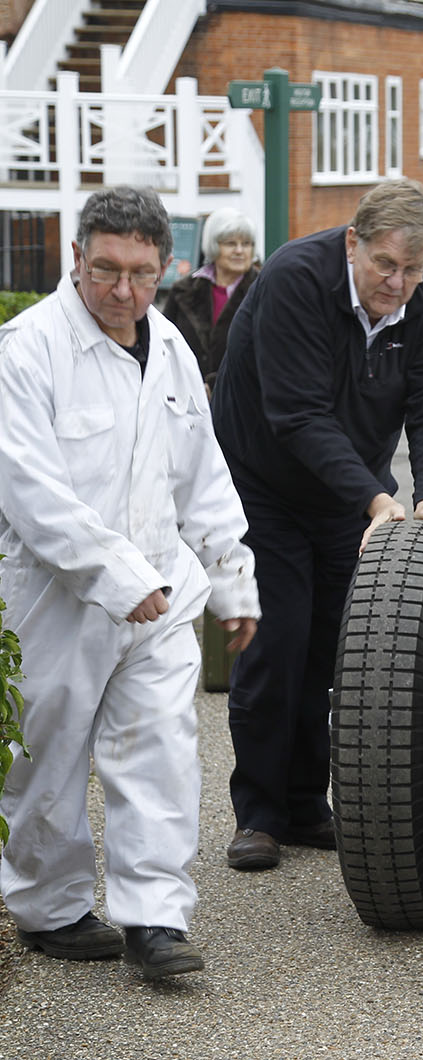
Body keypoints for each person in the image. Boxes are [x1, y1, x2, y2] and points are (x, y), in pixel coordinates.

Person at [0, 186, 259, 978]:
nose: (123, 292)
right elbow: (32, 491)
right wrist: (116, 576)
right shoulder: (26, 350)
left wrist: (230, 578)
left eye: (142, 274)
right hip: (54, 600)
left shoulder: (173, 346)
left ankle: (155, 919)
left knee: (161, 752)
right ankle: (50, 908)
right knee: (46, 758)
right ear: (76, 258)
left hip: (162, 597)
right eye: (106, 270)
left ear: (166, 266)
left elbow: (201, 473)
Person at [211, 178, 423, 872]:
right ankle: (259, 812)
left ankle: (305, 804)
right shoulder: (296, 278)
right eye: (386, 265)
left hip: (349, 493)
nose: (398, 283)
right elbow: (294, 413)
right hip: (262, 481)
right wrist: (375, 498)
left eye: (413, 270)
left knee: (336, 644)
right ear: (353, 242)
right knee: (278, 638)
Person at [159, 207, 259, 394]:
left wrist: (215, 385)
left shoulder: (263, 290)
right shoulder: (184, 289)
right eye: (230, 243)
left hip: (241, 400)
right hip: (186, 398)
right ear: (213, 246)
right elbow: (163, 345)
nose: (239, 250)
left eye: (246, 244)